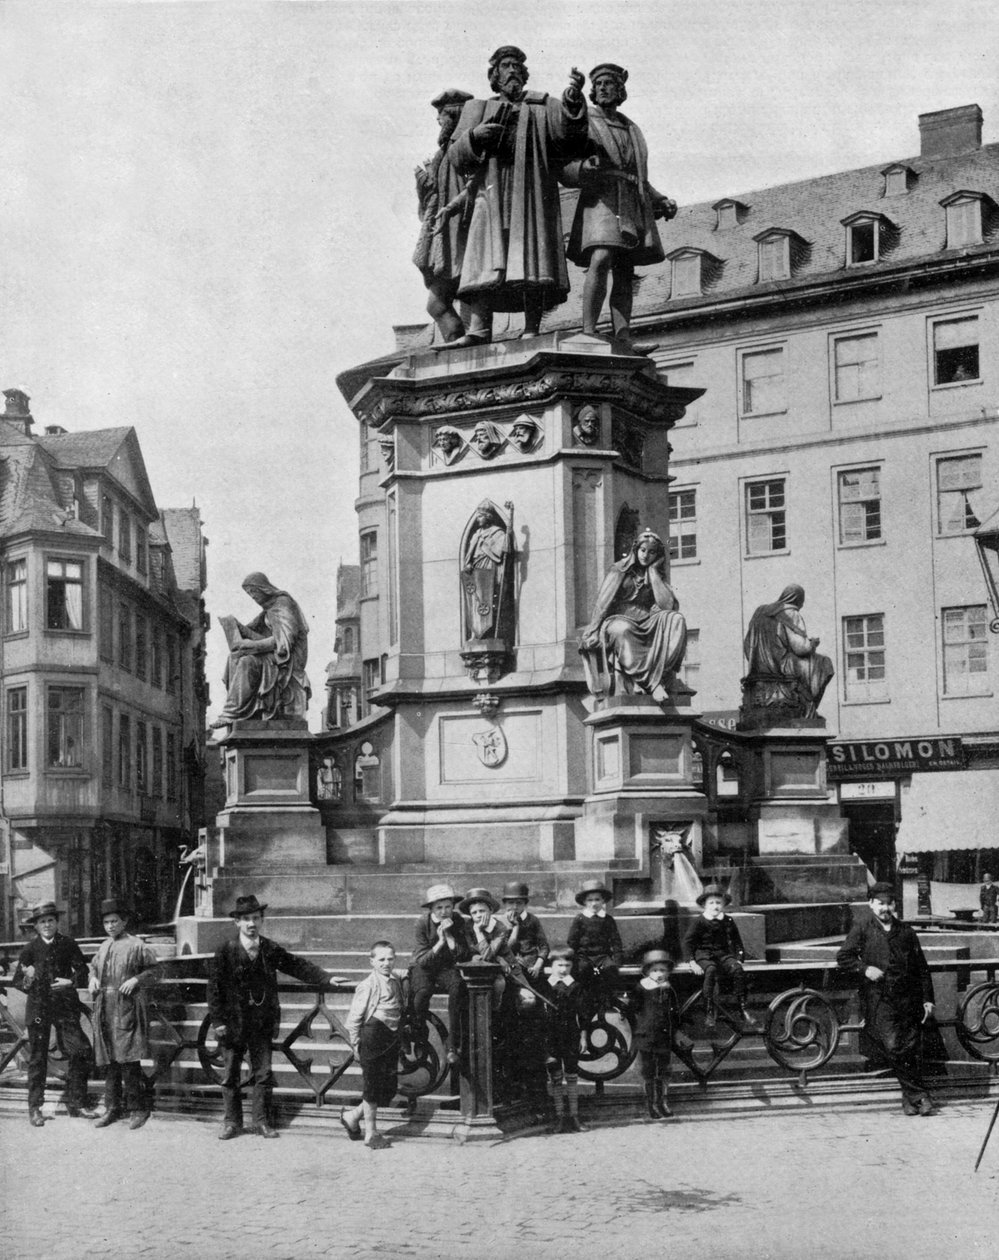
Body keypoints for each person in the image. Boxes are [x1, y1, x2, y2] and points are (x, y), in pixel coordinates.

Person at [444, 46, 587, 347]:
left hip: (531, 192)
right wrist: (475, 136)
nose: (512, 71)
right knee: (485, 258)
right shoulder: (477, 109)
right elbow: (456, 157)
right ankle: (479, 330)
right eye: (505, 66)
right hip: (490, 194)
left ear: (524, 75)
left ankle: (531, 328)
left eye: (517, 67)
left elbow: (569, 136)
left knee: (531, 256)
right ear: (494, 75)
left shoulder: (542, 105)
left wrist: (573, 99)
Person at [561, 64, 676, 352]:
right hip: (601, 198)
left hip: (629, 200)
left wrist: (659, 199)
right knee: (601, 257)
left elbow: (639, 176)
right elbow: (569, 129)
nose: (602, 88)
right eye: (597, 83)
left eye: (608, 83)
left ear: (620, 90)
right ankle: (588, 331)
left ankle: (623, 336)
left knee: (625, 268)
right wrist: (573, 93)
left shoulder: (630, 127)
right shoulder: (587, 119)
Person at [208, 893, 339, 1140]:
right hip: (233, 1023)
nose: (251, 924)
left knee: (263, 1073)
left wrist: (325, 978)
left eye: (255, 918)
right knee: (230, 1073)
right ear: (237, 922)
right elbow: (213, 988)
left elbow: (295, 965)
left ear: (262, 920)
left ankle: (261, 1122)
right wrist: (218, 1021)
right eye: (245, 919)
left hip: (261, 1021)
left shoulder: (268, 948)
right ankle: (231, 1123)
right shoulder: (225, 950)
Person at [837, 882, 937, 1115]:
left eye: (889, 903)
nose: (885, 908)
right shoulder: (862, 928)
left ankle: (910, 1099)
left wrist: (928, 999)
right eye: (880, 903)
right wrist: (865, 969)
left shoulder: (906, 932)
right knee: (894, 1046)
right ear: (871, 904)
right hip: (880, 999)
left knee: (909, 1047)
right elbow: (843, 957)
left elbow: (921, 967)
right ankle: (920, 1095)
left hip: (909, 999)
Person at [578, 528, 687, 700]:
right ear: (636, 549)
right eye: (643, 550)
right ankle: (653, 684)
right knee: (624, 630)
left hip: (646, 620)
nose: (645, 555)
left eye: (652, 552)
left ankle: (660, 675)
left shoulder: (655, 574)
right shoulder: (619, 570)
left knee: (676, 620)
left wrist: (653, 572)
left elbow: (668, 606)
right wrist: (593, 629)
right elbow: (602, 603)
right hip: (618, 619)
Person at [13, 901, 95, 1126]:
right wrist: (29, 980)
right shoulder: (30, 949)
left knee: (80, 1049)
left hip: (64, 1005)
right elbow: (18, 980)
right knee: (38, 1057)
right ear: (36, 926)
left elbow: (83, 971)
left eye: (50, 920)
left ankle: (77, 1102)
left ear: (57, 922)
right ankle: (35, 1108)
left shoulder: (68, 943)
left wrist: (71, 981)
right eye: (42, 922)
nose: (47, 924)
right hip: (39, 1007)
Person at [88, 898, 162, 1130]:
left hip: (126, 1008)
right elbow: (92, 965)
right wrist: (92, 977)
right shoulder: (103, 946)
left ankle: (137, 1108)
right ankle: (112, 1107)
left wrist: (135, 979)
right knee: (110, 1062)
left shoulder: (137, 945)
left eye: (114, 921)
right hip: (105, 1009)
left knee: (129, 1062)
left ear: (124, 921)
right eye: (106, 922)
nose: (110, 926)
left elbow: (155, 971)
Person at [413, 88, 473, 343]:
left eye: (441, 115)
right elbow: (431, 202)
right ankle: (459, 348)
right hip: (444, 236)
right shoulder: (442, 154)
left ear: (453, 116)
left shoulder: (466, 146)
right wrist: (424, 186)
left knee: (443, 303)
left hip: (462, 234)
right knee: (437, 305)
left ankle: (466, 346)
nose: (438, 121)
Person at [213, 573, 310, 727]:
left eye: (253, 591)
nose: (252, 596)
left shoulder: (282, 603)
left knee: (247, 661)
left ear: (264, 588)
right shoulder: (267, 610)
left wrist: (251, 646)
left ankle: (231, 713)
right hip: (273, 655)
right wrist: (236, 626)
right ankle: (241, 713)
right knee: (233, 658)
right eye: (249, 593)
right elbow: (255, 635)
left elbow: (284, 642)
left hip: (286, 660)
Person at [341, 940, 406, 1151]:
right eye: (381, 960)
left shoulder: (395, 980)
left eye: (390, 959)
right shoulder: (367, 985)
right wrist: (355, 1045)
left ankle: (352, 1116)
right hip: (372, 1035)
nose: (386, 963)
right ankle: (371, 1133)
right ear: (372, 962)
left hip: (391, 1037)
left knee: (387, 1088)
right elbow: (353, 1019)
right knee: (371, 1085)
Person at [742, 584, 834, 719]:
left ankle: (808, 706)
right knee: (825, 664)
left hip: (758, 671)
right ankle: (808, 708)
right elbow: (801, 649)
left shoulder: (760, 612)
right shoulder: (791, 614)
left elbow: (747, 646)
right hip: (783, 665)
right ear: (797, 599)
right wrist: (812, 644)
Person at [499, 881, 551, 1114]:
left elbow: (543, 946)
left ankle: (540, 1082)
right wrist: (513, 927)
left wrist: (539, 962)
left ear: (525, 903)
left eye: (519, 902)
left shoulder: (534, 920)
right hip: (513, 977)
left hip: (533, 973)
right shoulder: (500, 923)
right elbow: (505, 949)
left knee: (537, 1021)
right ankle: (515, 1087)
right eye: (511, 902)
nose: (515, 906)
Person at [409, 883, 471, 1066]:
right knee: (421, 993)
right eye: (439, 908)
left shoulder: (459, 921)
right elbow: (422, 960)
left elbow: (464, 955)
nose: (444, 912)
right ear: (431, 909)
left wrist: (450, 938)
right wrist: (440, 942)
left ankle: (453, 1046)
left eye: (448, 907)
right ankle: (419, 1037)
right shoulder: (422, 923)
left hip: (446, 967)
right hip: (424, 967)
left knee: (458, 987)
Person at [683, 883, 757, 1030]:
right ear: (704, 904)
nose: (715, 906)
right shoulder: (699, 921)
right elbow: (687, 942)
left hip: (723, 955)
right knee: (710, 970)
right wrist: (691, 961)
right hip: (704, 955)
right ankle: (709, 1011)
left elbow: (737, 941)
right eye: (711, 903)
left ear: (723, 904)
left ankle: (742, 1008)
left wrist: (739, 958)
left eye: (718, 902)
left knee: (737, 970)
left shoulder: (728, 920)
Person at [540, 947, 589, 1133]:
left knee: (572, 1076)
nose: (563, 969)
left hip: (570, 1035)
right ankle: (560, 1117)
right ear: (551, 966)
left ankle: (575, 1117)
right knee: (556, 1078)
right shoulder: (545, 986)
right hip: (551, 1035)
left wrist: (583, 1036)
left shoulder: (575, 986)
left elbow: (583, 1013)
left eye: (567, 965)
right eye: (559, 965)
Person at [632, 950, 685, 1119]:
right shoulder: (642, 988)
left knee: (663, 1070)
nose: (659, 974)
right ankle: (651, 1104)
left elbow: (675, 1012)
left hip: (664, 1037)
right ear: (647, 971)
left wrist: (675, 1031)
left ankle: (663, 1102)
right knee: (648, 1071)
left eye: (663, 970)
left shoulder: (669, 990)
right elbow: (635, 1008)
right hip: (646, 1035)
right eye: (655, 970)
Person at [460, 501, 515, 643]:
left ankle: (489, 633)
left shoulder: (497, 532)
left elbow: (502, 551)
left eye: (481, 516)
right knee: (475, 601)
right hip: (476, 571)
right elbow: (469, 557)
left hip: (489, 569)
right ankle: (475, 633)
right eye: (477, 517)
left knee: (489, 600)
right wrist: (468, 565)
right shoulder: (476, 535)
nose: (478, 519)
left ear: (488, 517)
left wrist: (485, 545)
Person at [566, 878, 623, 1015]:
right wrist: (571, 959)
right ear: (584, 902)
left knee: (610, 969)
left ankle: (606, 1000)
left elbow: (615, 940)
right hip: (584, 955)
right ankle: (586, 1000)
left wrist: (617, 959)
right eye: (590, 900)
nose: (594, 903)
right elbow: (572, 941)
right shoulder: (580, 919)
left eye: (597, 899)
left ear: (603, 901)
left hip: (602, 955)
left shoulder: (607, 919)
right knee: (583, 969)